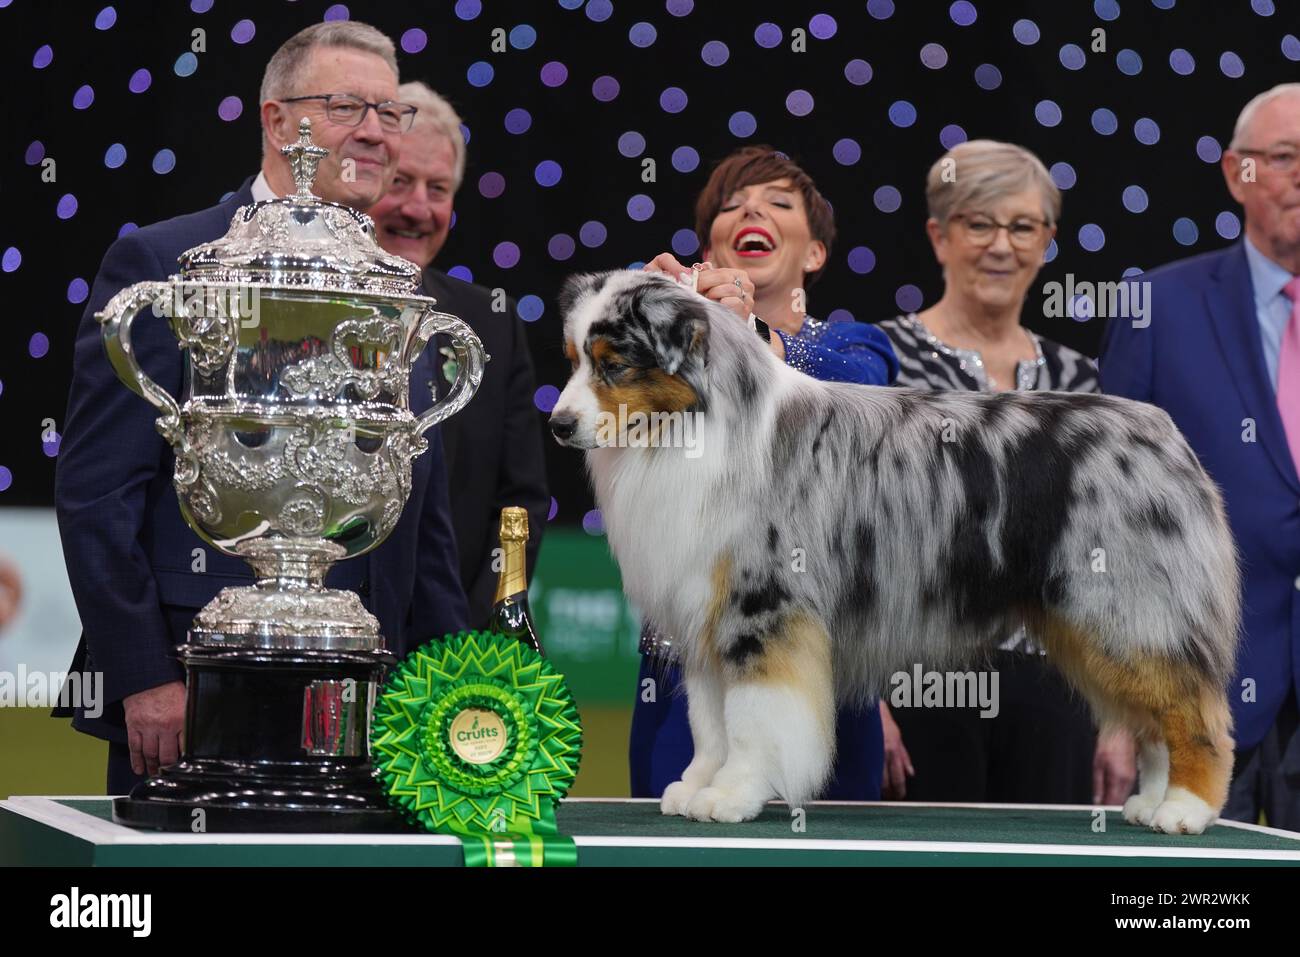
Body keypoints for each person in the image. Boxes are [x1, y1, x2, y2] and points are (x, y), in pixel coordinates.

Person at [53, 22, 468, 796]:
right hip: (200, 688)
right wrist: (145, 675)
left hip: (379, 700)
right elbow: (97, 493)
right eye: (348, 106)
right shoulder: (165, 259)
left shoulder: (399, 287)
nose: (376, 133)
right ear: (277, 120)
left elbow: (423, 533)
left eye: (390, 112)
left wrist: (449, 692)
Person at [631, 145, 899, 801]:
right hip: (687, 676)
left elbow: (855, 401)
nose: (752, 208)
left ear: (814, 255)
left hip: (826, 684)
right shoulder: (671, 356)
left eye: (780, 203)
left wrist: (748, 338)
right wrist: (640, 316)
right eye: (732, 204)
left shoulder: (852, 346)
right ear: (708, 248)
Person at [876, 139, 1135, 806]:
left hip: (1060, 688)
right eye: (979, 223)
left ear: (1047, 243)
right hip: (916, 679)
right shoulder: (879, 364)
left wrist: (1117, 715)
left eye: (1022, 226)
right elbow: (851, 543)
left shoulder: (1083, 380)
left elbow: (1106, 552)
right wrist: (864, 707)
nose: (1001, 245)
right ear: (939, 237)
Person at [1102, 84, 1300, 830]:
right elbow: (1109, 519)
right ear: (1235, 173)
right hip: (1198, 699)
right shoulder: (1157, 307)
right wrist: (1121, 707)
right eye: (1284, 158)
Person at [368, 82, 549, 627]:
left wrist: (462, 645)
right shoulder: (300, 304)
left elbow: (519, 505)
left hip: (448, 651)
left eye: (438, 189)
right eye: (399, 182)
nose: (418, 208)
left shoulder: (493, 322)